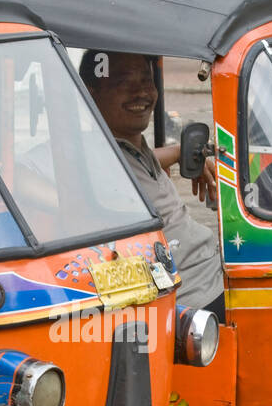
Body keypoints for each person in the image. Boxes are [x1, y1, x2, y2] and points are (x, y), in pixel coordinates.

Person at [78, 50, 226, 318]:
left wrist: (179, 152)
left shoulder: (132, 151)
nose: (141, 93)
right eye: (124, 82)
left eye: (146, 80)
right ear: (90, 93)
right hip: (196, 302)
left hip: (215, 274)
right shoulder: (92, 160)